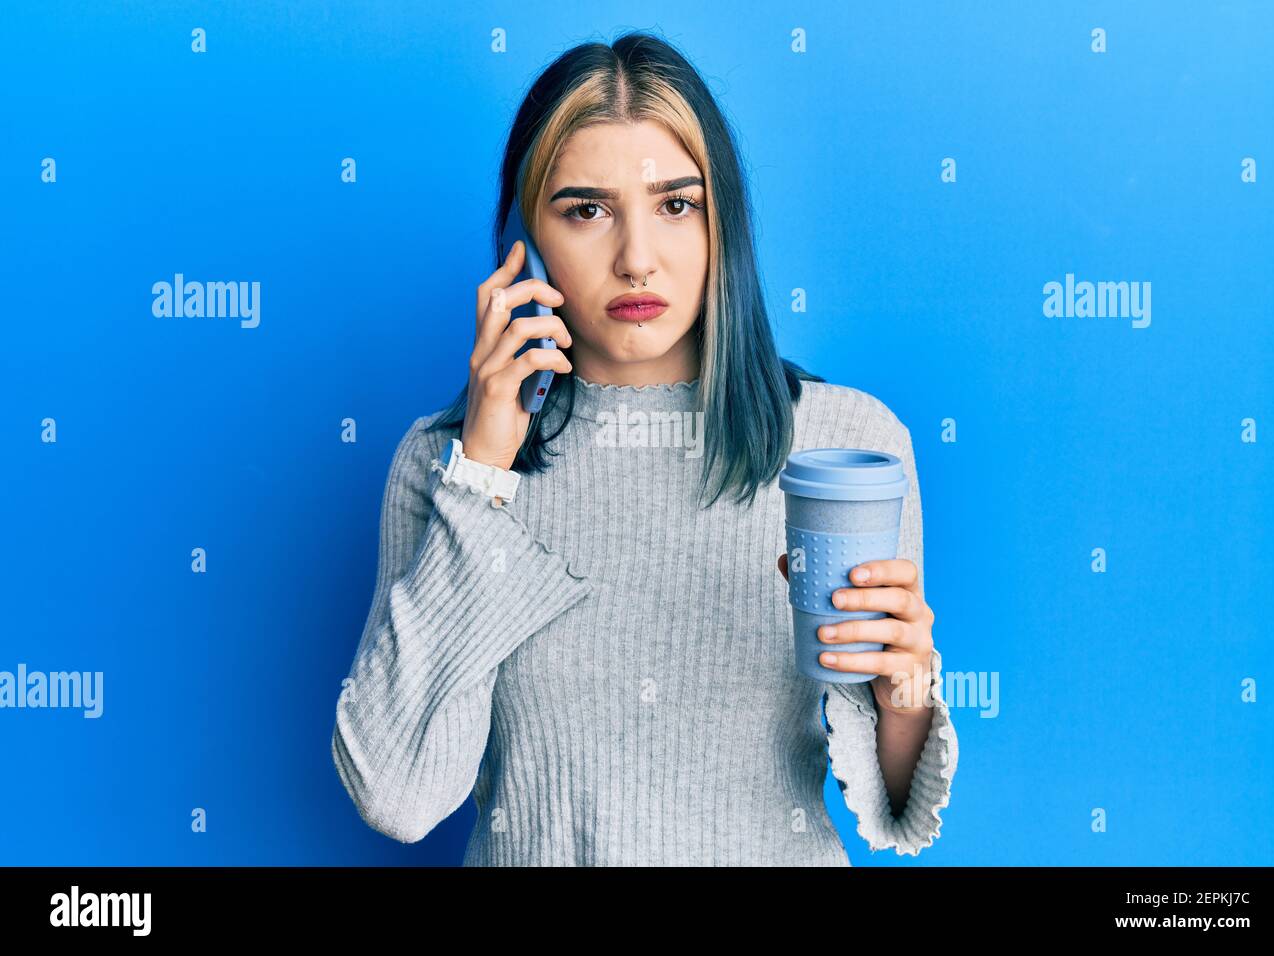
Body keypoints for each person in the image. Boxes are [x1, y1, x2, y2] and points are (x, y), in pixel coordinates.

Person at [331, 31, 957, 865]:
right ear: (527, 240)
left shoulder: (845, 446)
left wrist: (905, 688)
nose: (636, 259)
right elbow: (397, 796)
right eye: (587, 210)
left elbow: (887, 808)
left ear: (720, 225)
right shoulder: (444, 465)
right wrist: (481, 470)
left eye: (676, 204)